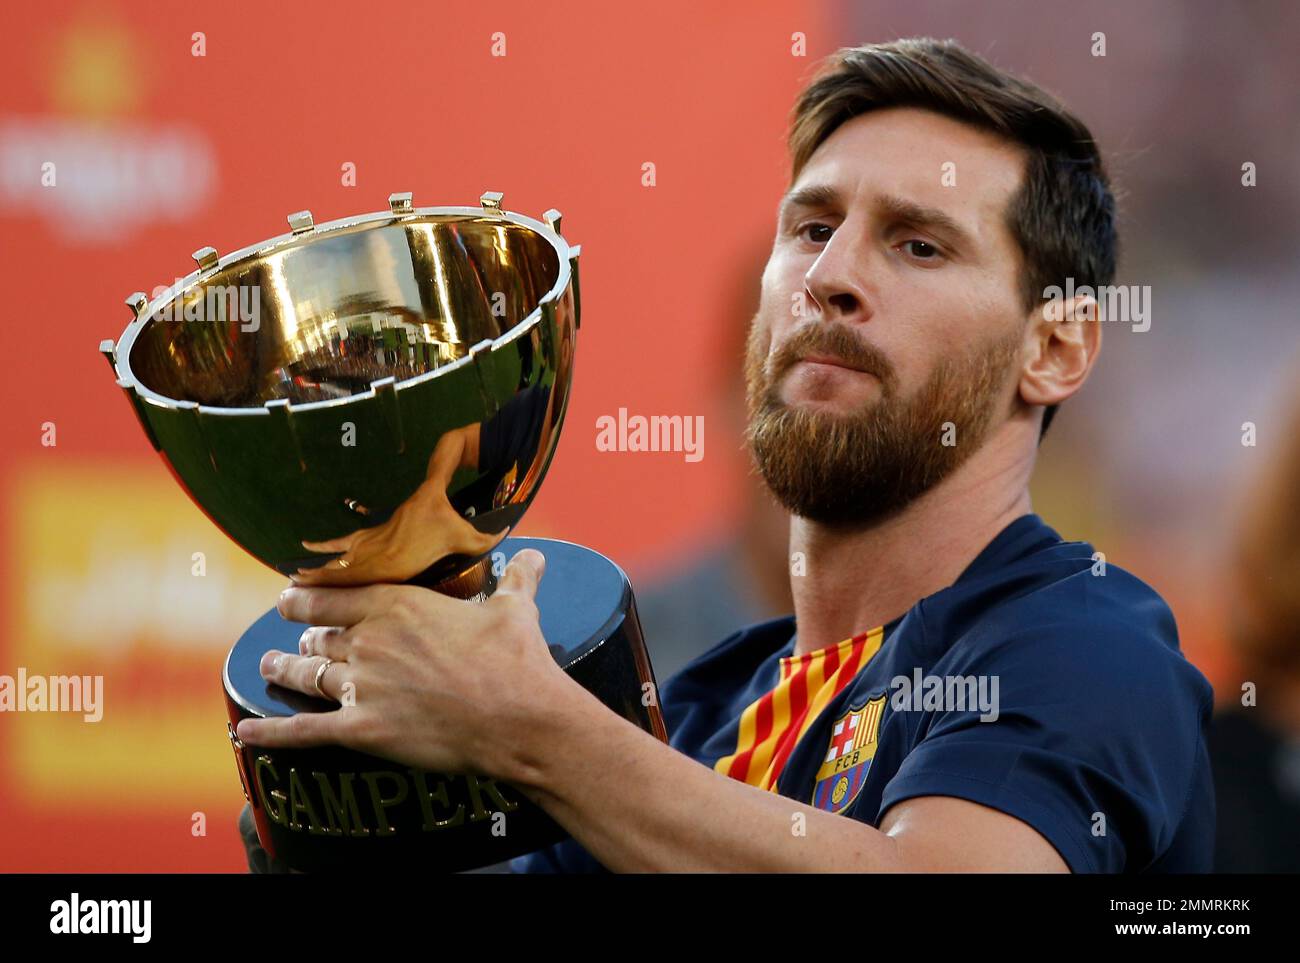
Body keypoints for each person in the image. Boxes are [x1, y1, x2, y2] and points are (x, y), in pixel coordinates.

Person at [237, 38, 1214, 873]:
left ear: (1056, 346)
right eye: (813, 228)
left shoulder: (1085, 642)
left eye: (918, 246)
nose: (830, 277)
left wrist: (531, 729)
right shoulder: (697, 712)